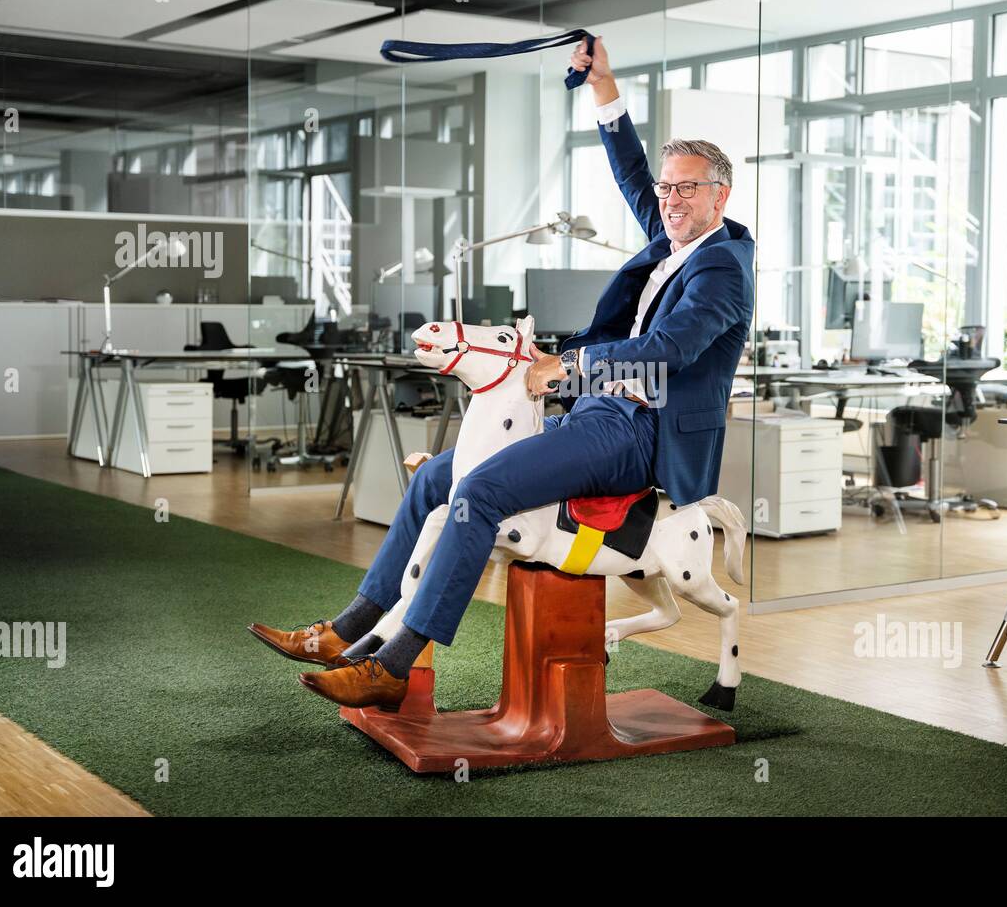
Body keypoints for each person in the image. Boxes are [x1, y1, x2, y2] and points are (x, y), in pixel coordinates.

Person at [247, 36, 755, 710]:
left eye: (686, 188)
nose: (668, 199)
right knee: (436, 476)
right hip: (597, 411)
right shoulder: (673, 236)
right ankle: (345, 631)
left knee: (479, 489)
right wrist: (604, 85)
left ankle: (392, 665)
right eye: (667, 188)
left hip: (639, 430)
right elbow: (632, 172)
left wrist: (567, 365)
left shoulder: (723, 266)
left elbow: (669, 349)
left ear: (720, 196)